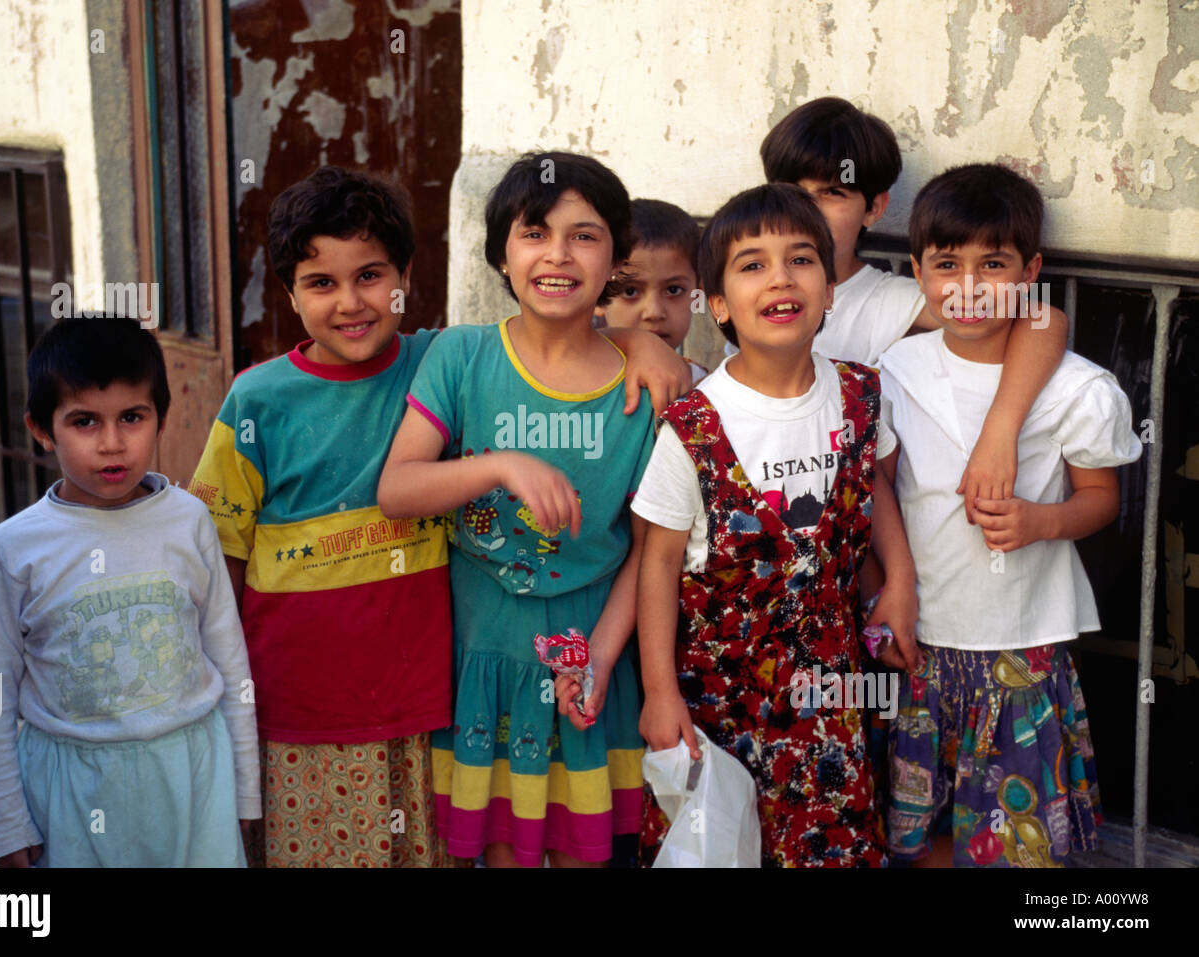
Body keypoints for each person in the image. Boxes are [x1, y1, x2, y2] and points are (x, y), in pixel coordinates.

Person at [191, 164, 687, 867]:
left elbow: (648, 540)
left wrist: (645, 340)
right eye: (321, 282)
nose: (351, 302)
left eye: (369, 276)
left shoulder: (455, 358)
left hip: (492, 682)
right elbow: (223, 557)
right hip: (368, 690)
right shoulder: (429, 362)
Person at [377, 152, 657, 868]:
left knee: (584, 850)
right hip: (483, 661)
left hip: (592, 659)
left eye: (584, 235)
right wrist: (502, 463)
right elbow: (398, 489)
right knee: (498, 853)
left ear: (616, 258)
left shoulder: (645, 389)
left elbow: (653, 548)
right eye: (535, 232)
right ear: (502, 252)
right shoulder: (461, 358)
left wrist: (600, 654)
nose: (557, 254)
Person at [631, 184, 922, 867]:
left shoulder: (858, 392)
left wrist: (901, 580)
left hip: (830, 702)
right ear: (721, 303)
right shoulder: (695, 425)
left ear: (828, 292)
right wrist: (658, 693)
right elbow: (658, 562)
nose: (781, 277)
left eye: (801, 259)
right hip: (721, 705)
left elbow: (874, 483)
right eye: (753, 264)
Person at [880, 163, 1142, 867]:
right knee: (918, 829)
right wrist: (890, 588)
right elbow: (877, 487)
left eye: (992, 264)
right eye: (946, 265)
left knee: (1013, 841)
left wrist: (1039, 521)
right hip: (922, 645)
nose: (967, 287)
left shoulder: (1077, 388)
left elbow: (1101, 499)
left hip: (1021, 650)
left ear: (1031, 270)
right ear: (917, 271)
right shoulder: (897, 370)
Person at [0, 316, 260, 867]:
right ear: (41, 428)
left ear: (161, 420)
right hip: (74, 793)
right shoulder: (14, 549)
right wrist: (2, 823)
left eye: (131, 417)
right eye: (84, 421)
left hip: (194, 778)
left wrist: (244, 787)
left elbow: (229, 660)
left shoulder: (190, 520)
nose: (112, 443)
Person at [753, 97, 1072, 523]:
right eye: (794, 193)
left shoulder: (891, 299)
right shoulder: (747, 285)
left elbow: (1040, 318)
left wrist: (1000, 430)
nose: (808, 210)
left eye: (833, 192)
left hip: (840, 521)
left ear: (875, 208)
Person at [602, 198, 708, 383]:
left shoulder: (706, 389)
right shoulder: (572, 384)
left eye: (673, 290)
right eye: (630, 292)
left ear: (698, 293)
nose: (654, 312)